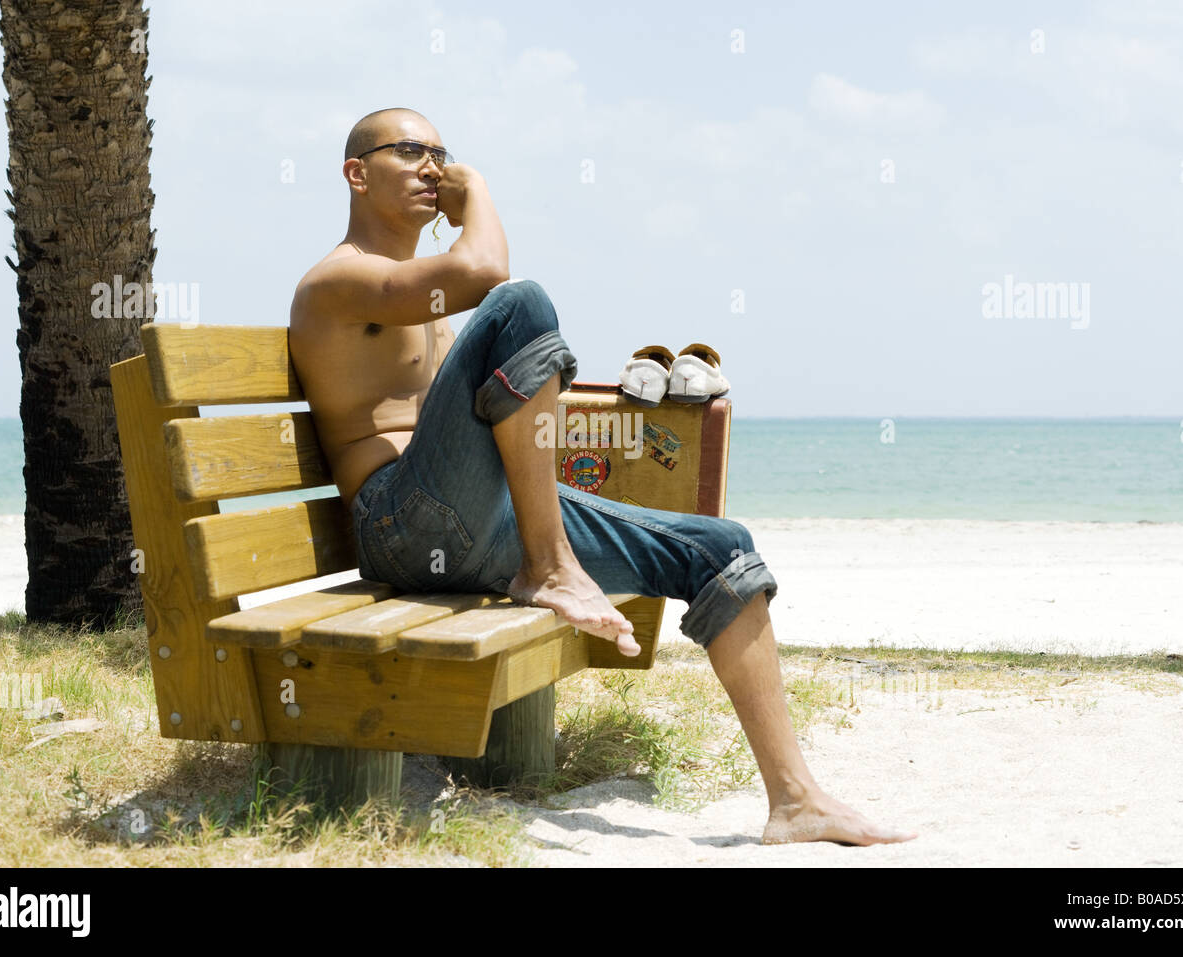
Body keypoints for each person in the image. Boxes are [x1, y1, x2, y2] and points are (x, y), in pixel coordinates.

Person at [288, 107, 917, 847]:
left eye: (443, 152)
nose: (434, 166)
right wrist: (478, 189)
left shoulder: (426, 307)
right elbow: (487, 274)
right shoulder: (339, 281)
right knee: (520, 300)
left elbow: (498, 406)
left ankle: (795, 798)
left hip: (473, 516)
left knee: (721, 547)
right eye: (411, 151)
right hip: (402, 523)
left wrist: (632, 411)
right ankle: (549, 565)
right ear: (356, 173)